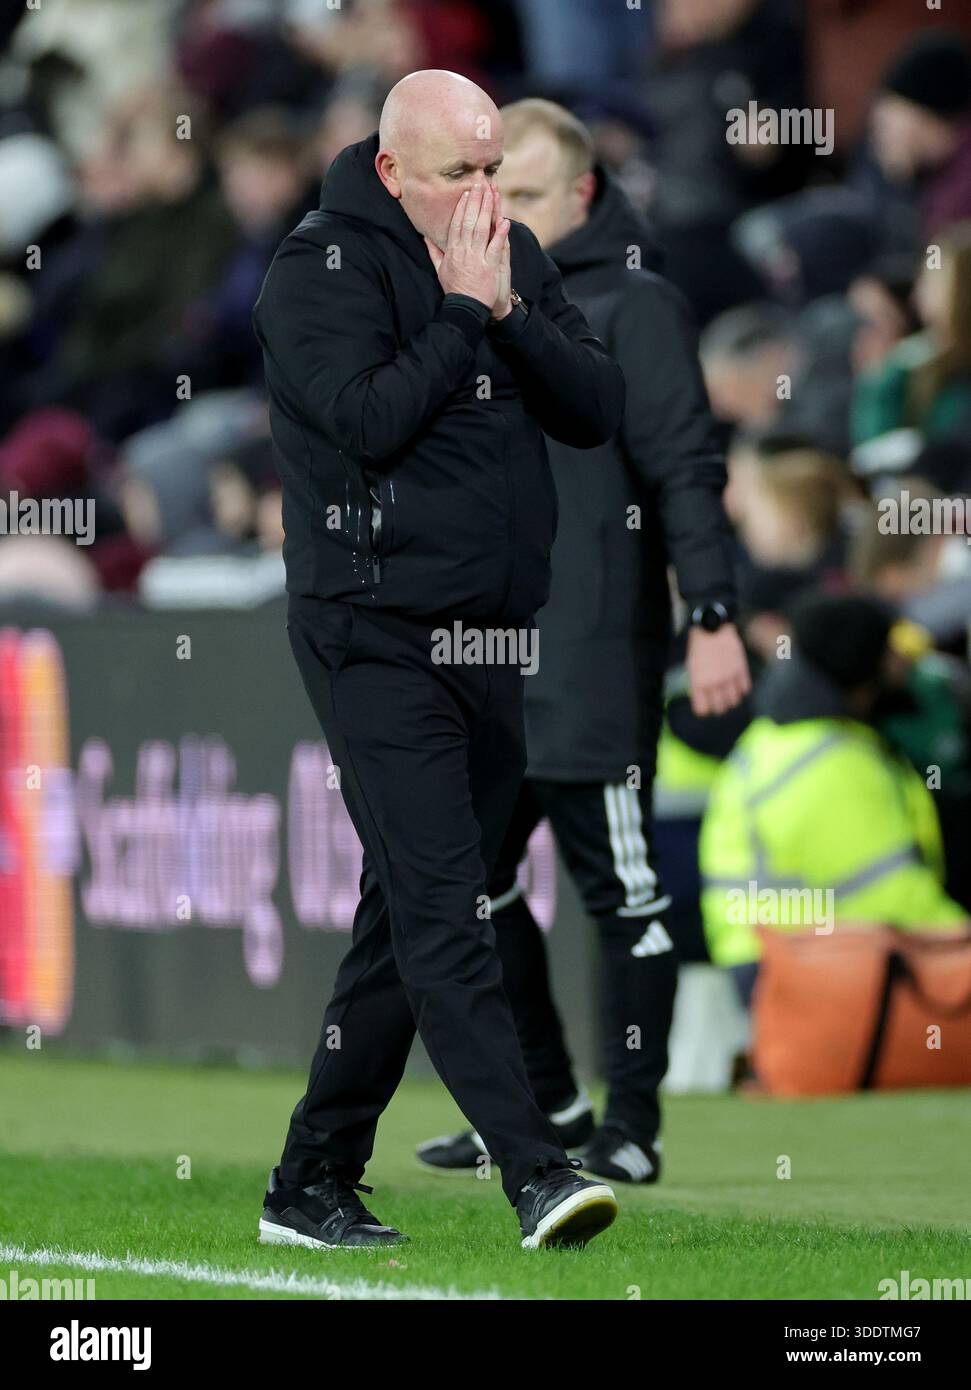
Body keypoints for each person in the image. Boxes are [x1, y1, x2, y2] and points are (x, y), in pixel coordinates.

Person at [251, 70, 626, 1250]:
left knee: (406, 909)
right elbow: (364, 418)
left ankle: (309, 1179)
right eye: (459, 171)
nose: (483, 193)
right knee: (443, 903)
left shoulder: (509, 254)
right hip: (372, 630)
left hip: (492, 635)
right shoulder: (316, 269)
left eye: (494, 169)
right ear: (390, 169)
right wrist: (462, 313)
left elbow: (595, 407)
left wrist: (508, 312)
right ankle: (536, 1171)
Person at [416, 98, 748, 1185]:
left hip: (590, 645)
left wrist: (710, 612)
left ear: (582, 195)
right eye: (485, 189)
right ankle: (548, 1100)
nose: (498, 211)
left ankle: (633, 1126)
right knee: (467, 883)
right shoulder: (462, 301)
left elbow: (683, 466)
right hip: (481, 651)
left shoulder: (633, 304)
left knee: (620, 888)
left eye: (522, 193)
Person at [699, 593, 969, 1008]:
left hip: (777, 954)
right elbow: (894, 894)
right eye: (889, 650)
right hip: (795, 963)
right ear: (861, 669)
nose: (903, 662)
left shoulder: (784, 737)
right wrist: (961, 939)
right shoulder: (834, 760)